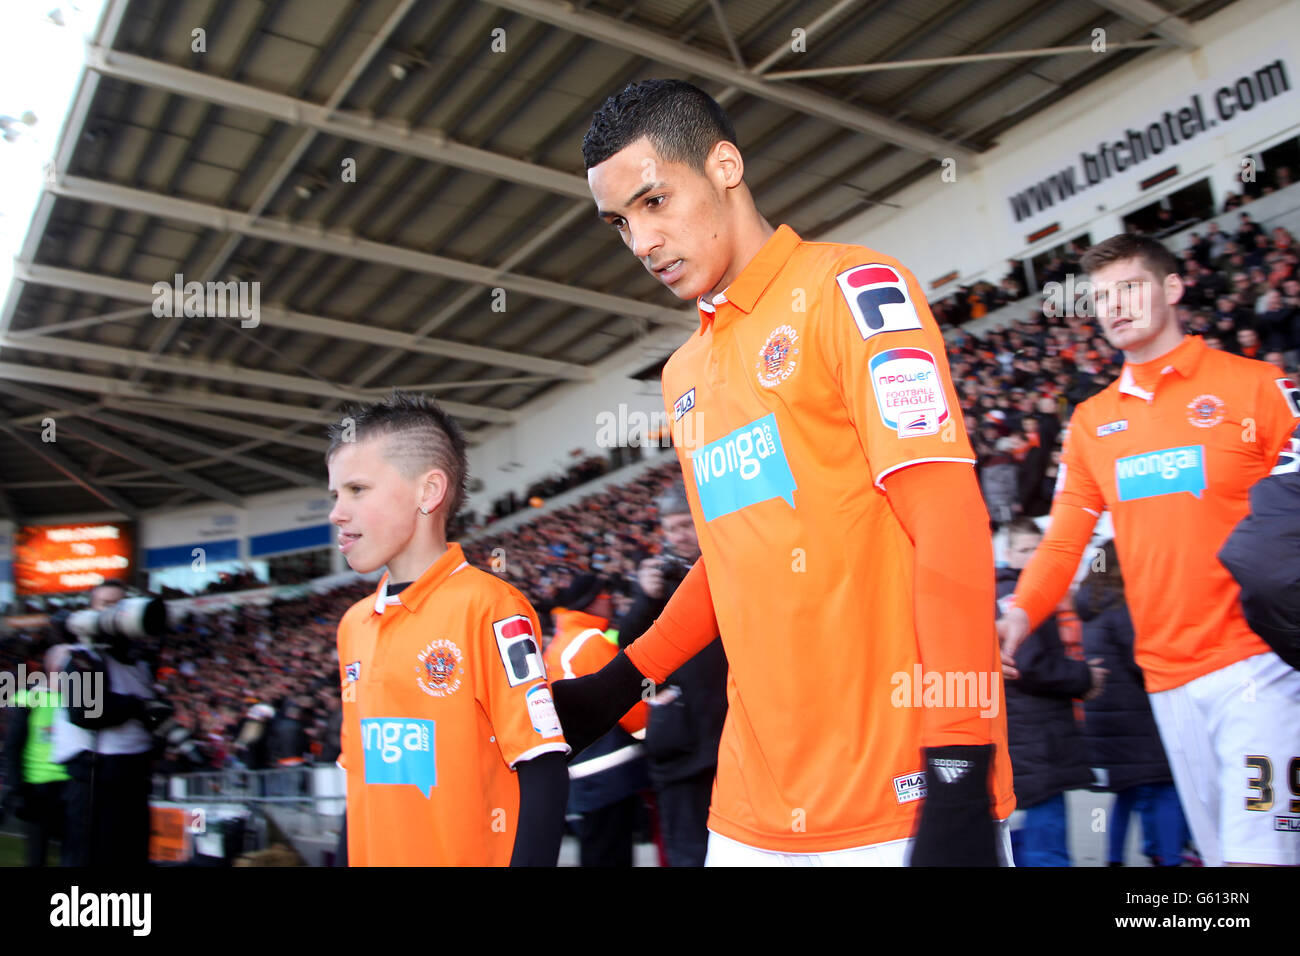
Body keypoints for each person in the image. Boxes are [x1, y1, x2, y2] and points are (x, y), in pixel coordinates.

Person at [555, 79, 1015, 866]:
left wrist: (961, 763)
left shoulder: (853, 290)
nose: (642, 242)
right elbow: (730, 558)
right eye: (620, 223)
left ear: (725, 165)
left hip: (896, 799)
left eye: (655, 201)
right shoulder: (683, 373)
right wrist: (624, 678)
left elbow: (948, 525)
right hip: (748, 808)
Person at [999, 233, 1300, 867]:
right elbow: (1063, 539)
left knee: (1262, 855)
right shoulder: (1090, 423)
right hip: (1165, 680)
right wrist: (1021, 614)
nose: (1114, 306)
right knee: (1218, 862)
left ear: (1171, 288)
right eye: (1101, 296)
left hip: (1260, 669)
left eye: (1129, 288)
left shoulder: (1258, 387)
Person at [329, 391, 569, 866]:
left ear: (428, 492)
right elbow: (357, 786)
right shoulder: (352, 625)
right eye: (335, 495)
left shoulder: (490, 606)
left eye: (357, 490)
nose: (337, 512)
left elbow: (543, 769)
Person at [615, 484, 726, 867]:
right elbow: (628, 648)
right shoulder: (655, 581)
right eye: (672, 527)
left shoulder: (727, 564)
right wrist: (646, 599)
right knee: (689, 852)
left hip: (730, 736)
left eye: (686, 524)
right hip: (682, 745)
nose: (679, 534)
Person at [1075, 540, 1191, 866]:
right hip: (1136, 717)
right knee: (1166, 786)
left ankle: (1114, 857)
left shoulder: (1091, 608)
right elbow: (1141, 660)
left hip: (1107, 718)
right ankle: (1170, 857)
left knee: (1126, 790)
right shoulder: (1122, 607)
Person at [998, 519, 1099, 866]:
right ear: (1009, 553)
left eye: (1036, 551)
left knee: (1032, 838)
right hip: (1034, 736)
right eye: (1024, 550)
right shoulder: (1013, 597)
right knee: (1048, 844)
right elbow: (1030, 663)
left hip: (1031, 734)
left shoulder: (1026, 594)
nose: (1031, 558)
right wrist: (1084, 677)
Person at [52, 581, 170, 867]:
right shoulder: (82, 658)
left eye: (121, 605)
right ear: (90, 613)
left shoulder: (140, 663)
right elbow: (84, 712)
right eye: (105, 605)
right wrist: (136, 706)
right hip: (96, 776)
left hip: (134, 774)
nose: (114, 613)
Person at [544, 573, 650, 867]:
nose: (610, 601)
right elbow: (628, 706)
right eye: (605, 596)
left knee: (596, 850)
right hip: (610, 771)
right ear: (591, 602)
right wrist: (652, 732)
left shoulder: (562, 641)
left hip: (584, 769)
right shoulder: (590, 641)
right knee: (611, 854)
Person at [1, 646, 71, 866]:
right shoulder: (30, 698)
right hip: (38, 789)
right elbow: (12, 746)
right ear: (53, 668)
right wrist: (18, 789)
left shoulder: (80, 700)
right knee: (37, 855)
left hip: (71, 789)